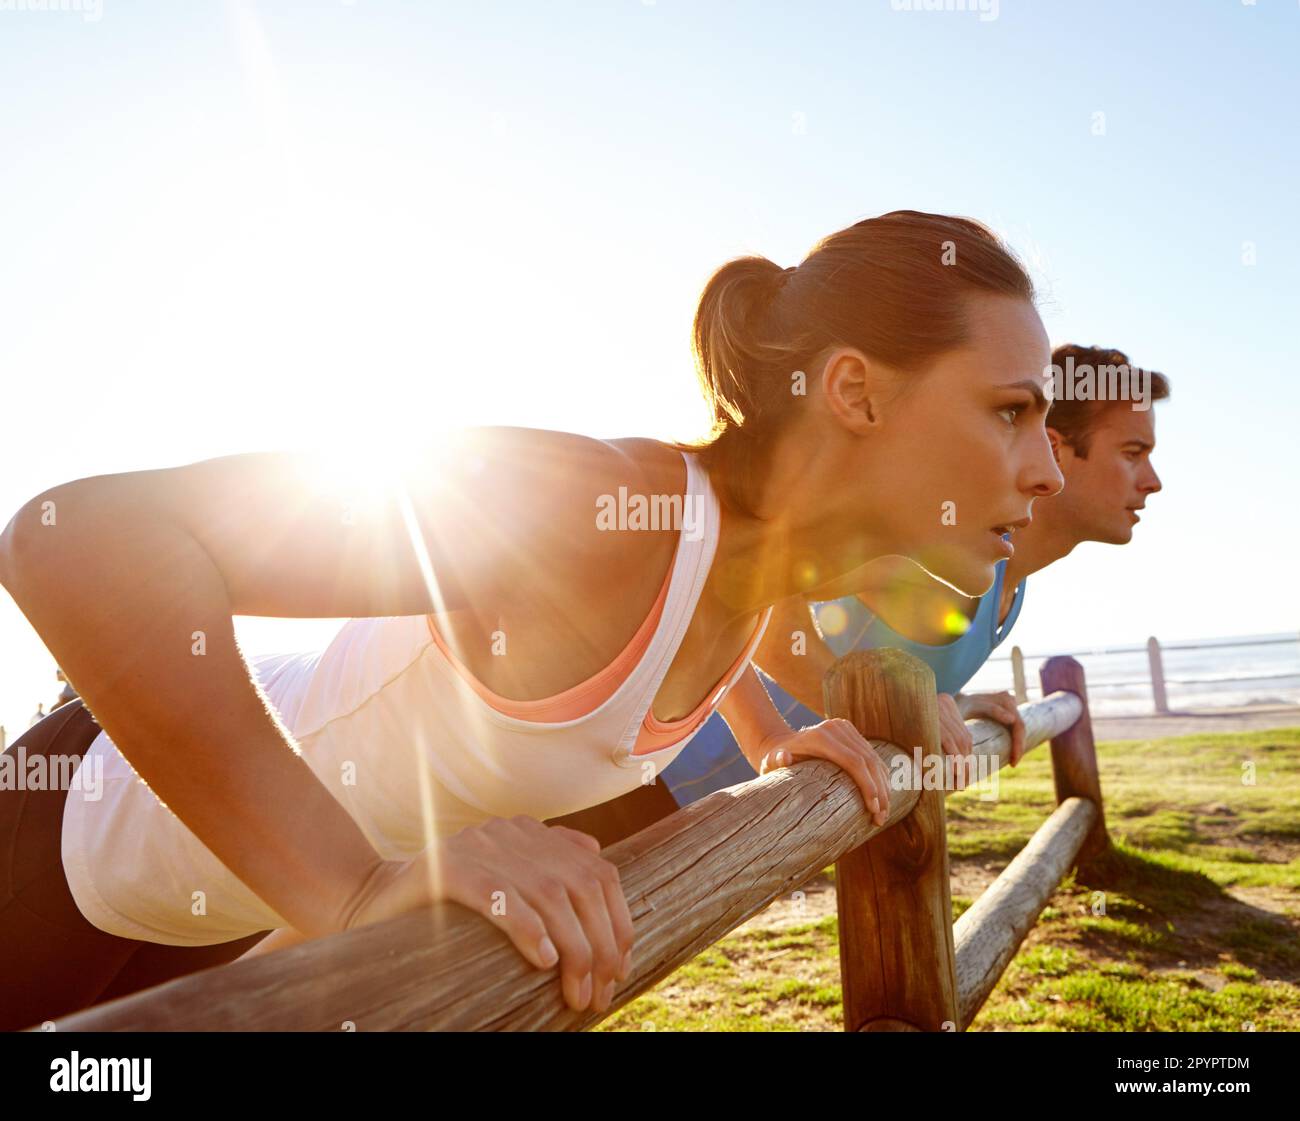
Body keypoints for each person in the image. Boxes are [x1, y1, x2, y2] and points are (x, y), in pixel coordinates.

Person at [0, 210, 1061, 1030]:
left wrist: (771, 742)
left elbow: (724, 618)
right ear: (856, 395)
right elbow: (72, 537)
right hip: (69, 829)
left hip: (209, 906)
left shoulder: (760, 557)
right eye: (1010, 410)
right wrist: (355, 884)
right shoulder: (590, 507)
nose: (1044, 466)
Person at [656, 343, 1168, 809]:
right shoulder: (938, 557)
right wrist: (787, 729)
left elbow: (892, 675)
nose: (1154, 481)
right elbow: (745, 586)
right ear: (1056, 451)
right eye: (1133, 453)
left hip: (736, 816)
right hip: (655, 786)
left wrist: (953, 703)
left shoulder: (1006, 578)